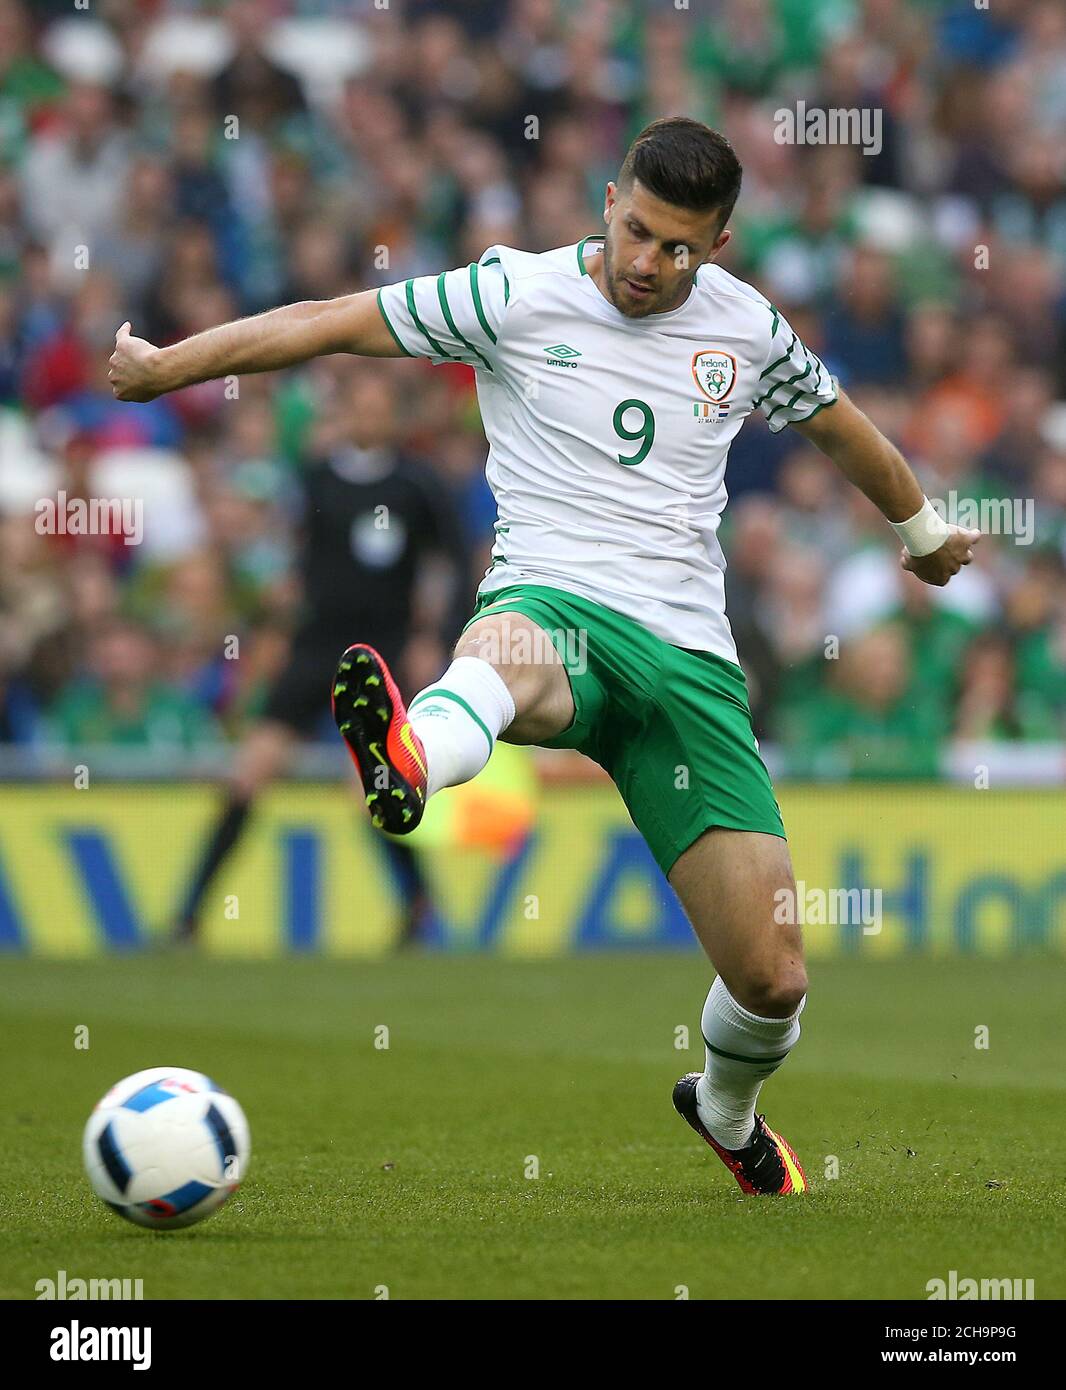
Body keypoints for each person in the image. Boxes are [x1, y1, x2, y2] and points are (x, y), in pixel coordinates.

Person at [109, 116, 980, 1195]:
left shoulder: (746, 328)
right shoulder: (509, 294)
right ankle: (410, 757)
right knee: (510, 647)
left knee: (773, 979)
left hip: (689, 664)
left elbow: (841, 424)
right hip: (556, 603)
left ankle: (721, 1106)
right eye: (636, 231)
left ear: (718, 245)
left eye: (678, 247)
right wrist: (168, 367)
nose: (648, 263)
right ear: (608, 201)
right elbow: (330, 321)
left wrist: (923, 531)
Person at [171, 366, 467, 947]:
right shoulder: (316, 479)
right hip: (313, 650)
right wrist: (271, 629)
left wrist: (435, 638)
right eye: (360, 403)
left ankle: (418, 910)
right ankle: (190, 916)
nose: (369, 415)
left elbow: (452, 563)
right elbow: (289, 562)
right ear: (345, 411)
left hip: (381, 656)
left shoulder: (417, 485)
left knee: (370, 791)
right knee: (250, 772)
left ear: (395, 415)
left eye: (380, 405)